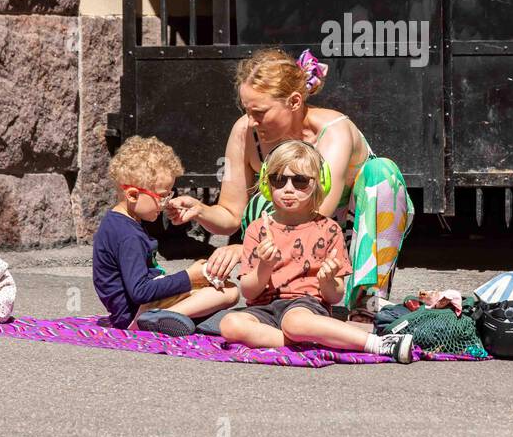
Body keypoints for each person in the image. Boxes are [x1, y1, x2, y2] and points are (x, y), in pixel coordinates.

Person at [166, 48, 413, 316]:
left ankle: (366, 304)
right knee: (268, 193)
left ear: (294, 102)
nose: (251, 120)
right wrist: (200, 210)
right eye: (246, 110)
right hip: (280, 233)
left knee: (383, 174)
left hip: (343, 232)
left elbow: (316, 214)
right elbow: (230, 215)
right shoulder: (246, 131)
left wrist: (243, 247)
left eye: (259, 112)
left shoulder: (334, 131)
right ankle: (277, 296)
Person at [217, 141, 414, 362]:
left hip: (306, 305)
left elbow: (334, 296)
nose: (288, 189)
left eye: (300, 181)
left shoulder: (329, 229)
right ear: (267, 185)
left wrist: (328, 280)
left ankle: (377, 343)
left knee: (295, 322)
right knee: (230, 325)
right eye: (278, 180)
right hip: (264, 307)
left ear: (319, 184)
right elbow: (250, 293)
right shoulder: (258, 228)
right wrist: (265, 266)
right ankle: (304, 339)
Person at [92, 136, 239, 335]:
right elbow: (140, 292)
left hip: (132, 309)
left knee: (218, 287)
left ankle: (174, 316)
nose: (166, 203)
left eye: (170, 194)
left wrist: (195, 279)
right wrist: (189, 277)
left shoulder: (119, 222)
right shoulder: (128, 236)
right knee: (230, 292)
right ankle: (161, 317)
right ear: (133, 195)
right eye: (162, 196)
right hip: (133, 314)